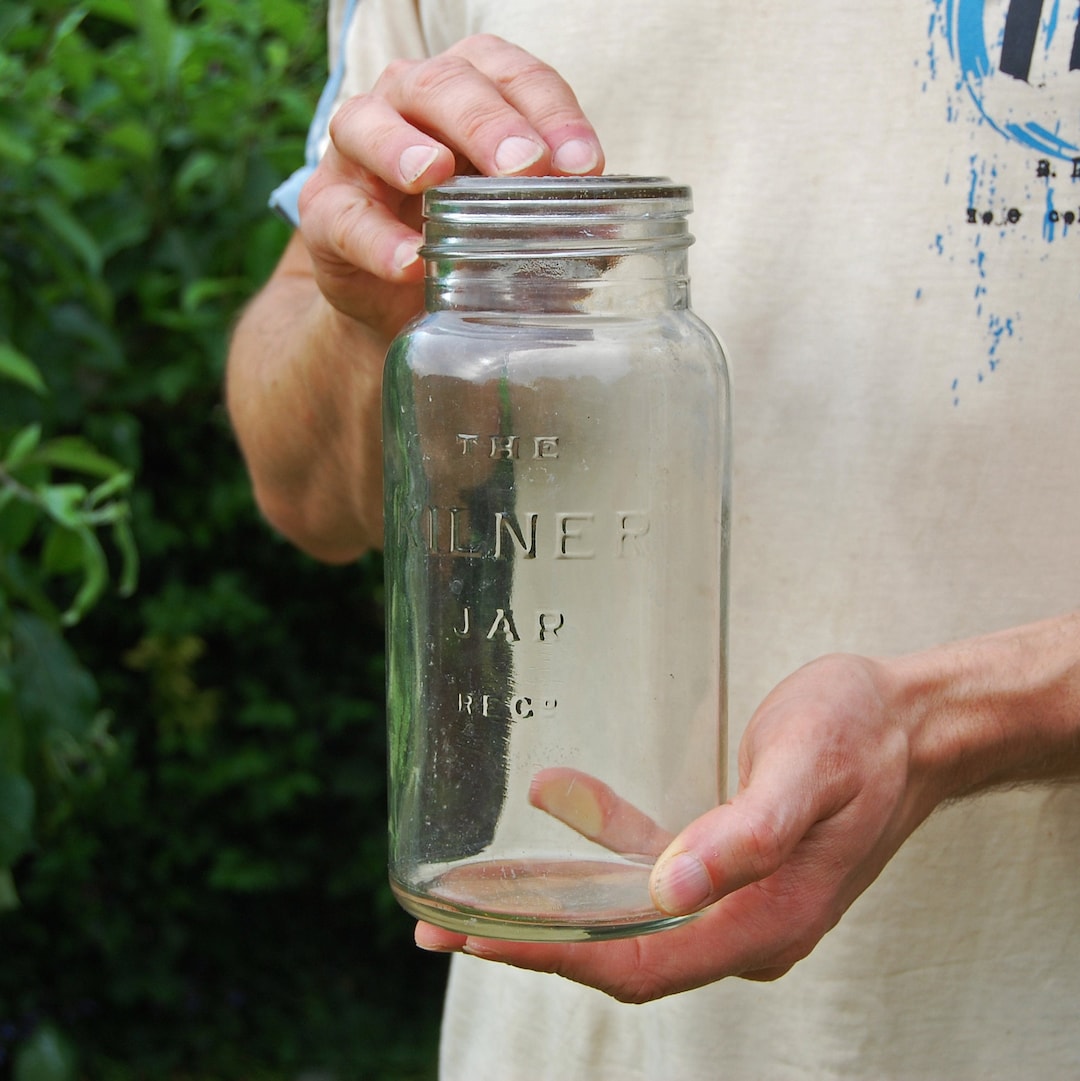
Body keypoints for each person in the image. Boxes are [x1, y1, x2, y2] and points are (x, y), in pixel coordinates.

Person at [226, 2, 1080, 1077]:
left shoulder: (676, 352)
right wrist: (378, 314)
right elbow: (302, 492)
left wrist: (954, 722)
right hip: (550, 1020)